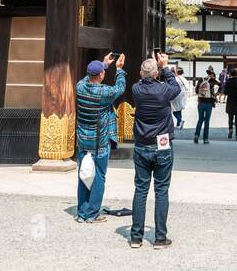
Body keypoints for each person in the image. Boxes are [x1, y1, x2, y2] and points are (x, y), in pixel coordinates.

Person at [130, 52, 181, 249]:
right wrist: (165, 66)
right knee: (161, 190)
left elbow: (143, 79)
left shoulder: (136, 89)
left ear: (141, 74)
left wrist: (153, 69)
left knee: (141, 190)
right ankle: (160, 237)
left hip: (142, 143)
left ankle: (136, 236)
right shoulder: (164, 90)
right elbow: (176, 86)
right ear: (156, 73)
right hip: (163, 143)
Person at [73, 53, 125, 224]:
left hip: (83, 140)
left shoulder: (80, 87)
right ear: (101, 75)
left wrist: (103, 64)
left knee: (83, 174)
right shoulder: (103, 92)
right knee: (99, 176)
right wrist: (119, 69)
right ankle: (92, 213)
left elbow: (85, 79)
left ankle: (82, 212)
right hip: (99, 141)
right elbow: (120, 88)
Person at [194, 68, 219, 144]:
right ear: (213, 75)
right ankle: (205, 139)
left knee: (200, 119)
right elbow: (222, 85)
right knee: (207, 121)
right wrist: (215, 94)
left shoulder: (201, 79)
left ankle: (197, 135)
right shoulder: (213, 80)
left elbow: (196, 90)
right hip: (209, 103)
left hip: (201, 102)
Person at [223, 66, 237, 139]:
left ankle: (230, 129)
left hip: (230, 101)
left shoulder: (228, 82)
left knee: (230, 118)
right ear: (236, 74)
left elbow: (225, 92)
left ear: (230, 74)